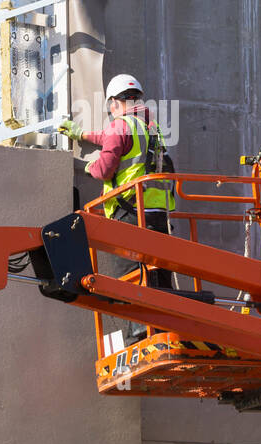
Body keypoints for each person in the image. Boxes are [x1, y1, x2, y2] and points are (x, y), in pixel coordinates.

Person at [60, 74, 177, 303]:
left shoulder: (120, 126)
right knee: (161, 276)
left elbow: (104, 170)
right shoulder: (151, 129)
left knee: (132, 277)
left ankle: (141, 331)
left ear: (114, 102)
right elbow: (113, 139)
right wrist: (82, 134)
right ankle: (168, 325)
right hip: (158, 214)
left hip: (130, 212)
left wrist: (87, 167)